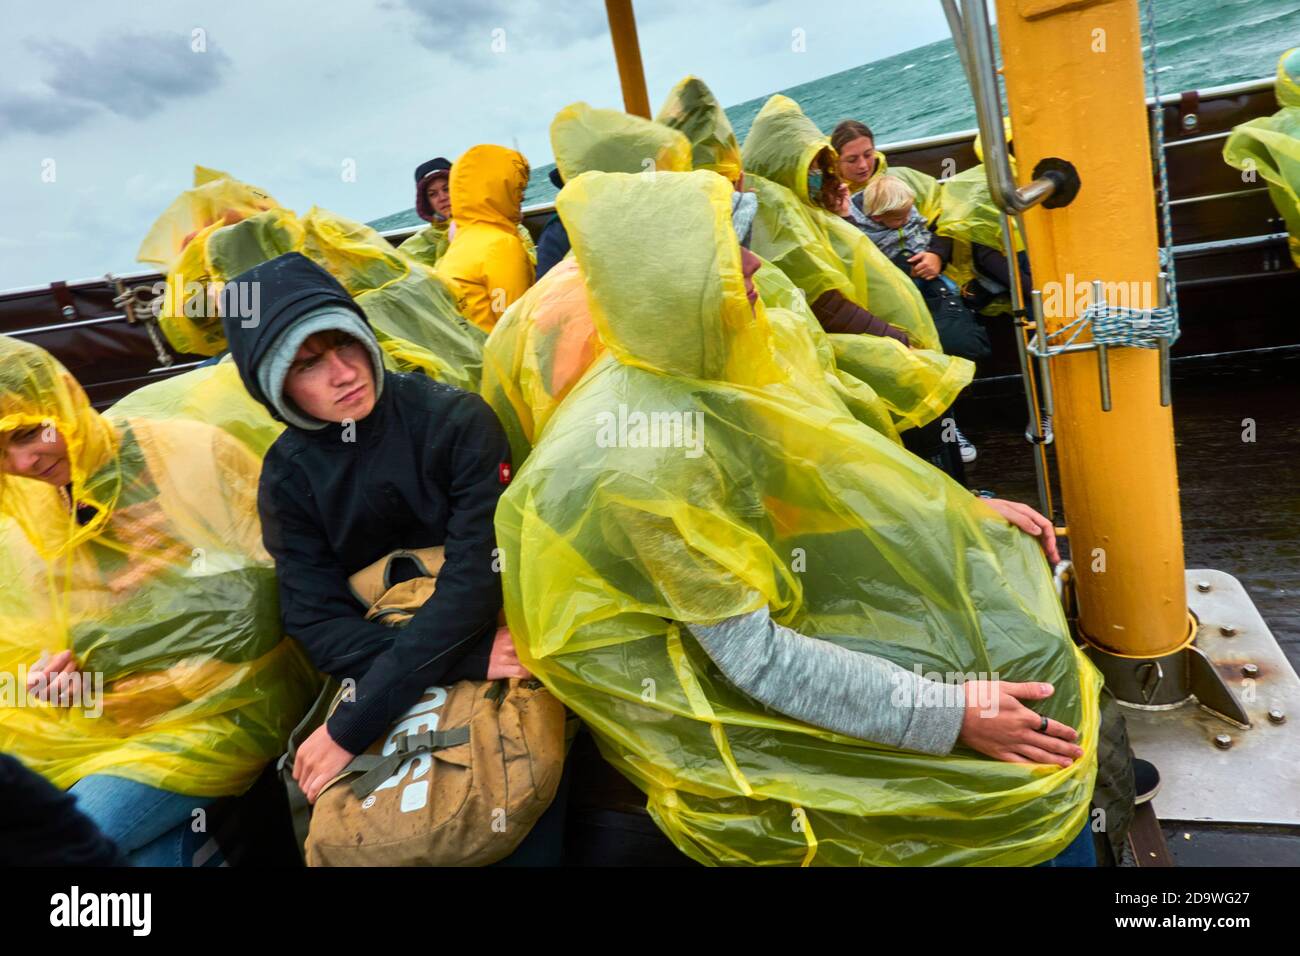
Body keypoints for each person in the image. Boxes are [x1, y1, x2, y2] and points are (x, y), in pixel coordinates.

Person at [495, 168, 1105, 866]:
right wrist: (949, 715)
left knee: (1014, 622)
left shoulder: (707, 358)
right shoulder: (645, 461)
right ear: (673, 279)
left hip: (769, 598)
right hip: (699, 685)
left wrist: (956, 510)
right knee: (1021, 777)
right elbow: (755, 660)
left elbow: (819, 471)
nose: (757, 265)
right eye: (727, 251)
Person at [220, 252, 565, 864]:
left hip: (494, 629)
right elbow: (315, 622)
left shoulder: (457, 421)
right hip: (461, 652)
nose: (342, 372)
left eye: (346, 343)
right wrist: (467, 659)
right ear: (271, 387)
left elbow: (475, 583)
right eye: (307, 363)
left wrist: (351, 724)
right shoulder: (287, 476)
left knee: (516, 808)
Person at [0, 336, 318, 866]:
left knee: (63, 844)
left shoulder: (182, 452)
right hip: (116, 717)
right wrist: (49, 673)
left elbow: (256, 606)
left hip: (231, 703)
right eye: (0, 449)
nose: (25, 460)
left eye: (32, 432)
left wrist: (104, 654)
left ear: (67, 395)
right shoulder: (28, 513)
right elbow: (49, 632)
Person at [434, 144, 535, 333]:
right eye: (517, 188)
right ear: (496, 191)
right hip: (502, 357)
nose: (522, 197)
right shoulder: (500, 245)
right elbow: (514, 324)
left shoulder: (459, 243)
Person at [396, 157, 454, 267]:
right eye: (433, 194)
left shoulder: (487, 220)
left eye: (446, 189)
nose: (442, 198)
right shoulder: (419, 243)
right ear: (427, 203)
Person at [830, 119, 886, 192]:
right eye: (852, 160)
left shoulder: (899, 178)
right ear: (836, 162)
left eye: (867, 155)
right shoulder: (827, 198)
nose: (863, 165)